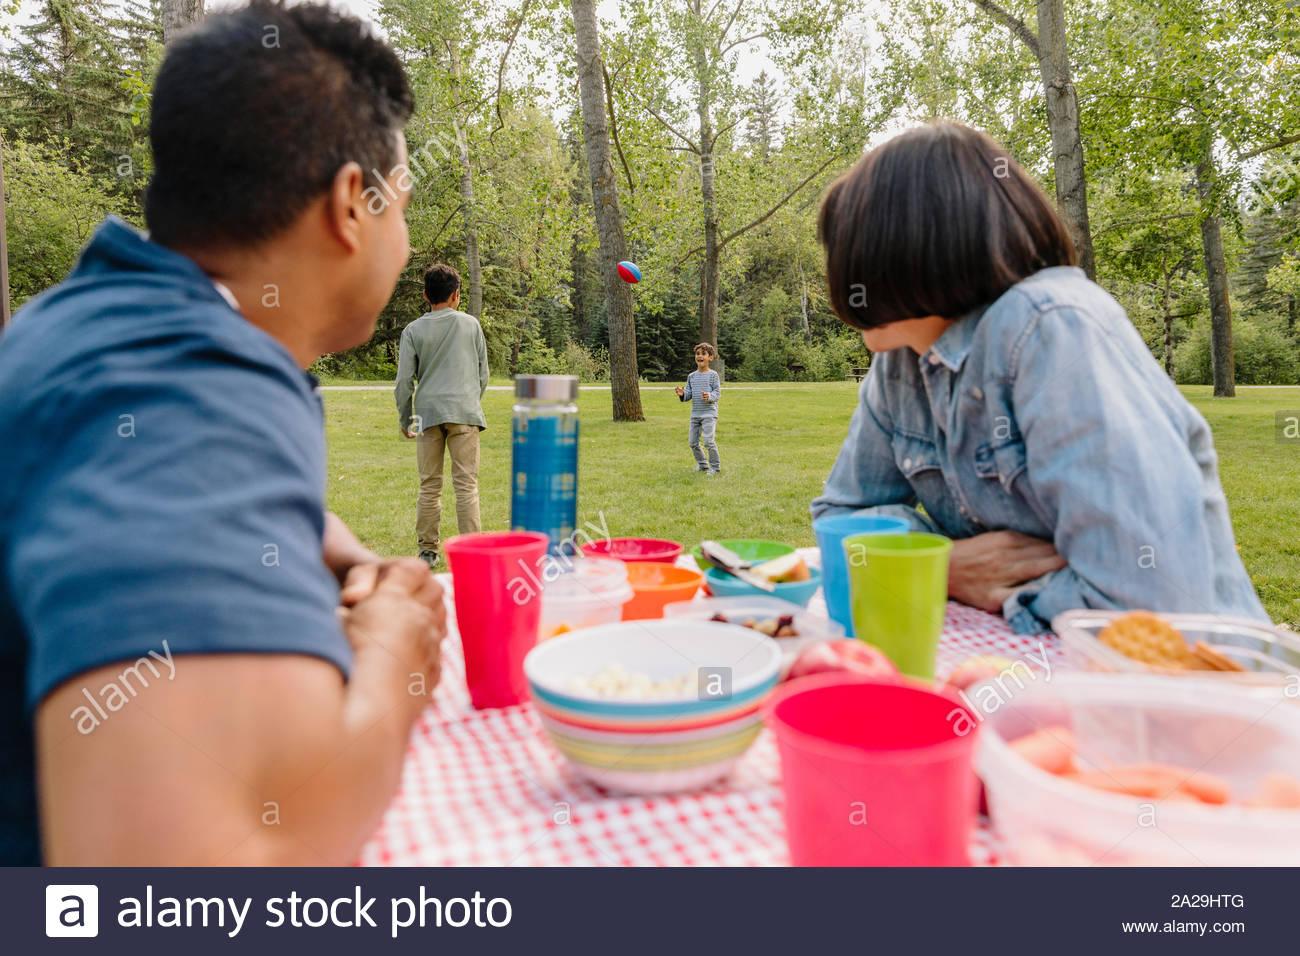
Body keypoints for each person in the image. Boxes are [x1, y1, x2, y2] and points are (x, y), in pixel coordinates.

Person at [0, 1, 446, 865]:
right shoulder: (187, 383)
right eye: (403, 203)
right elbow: (192, 883)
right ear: (353, 203)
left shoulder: (92, 327)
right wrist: (396, 650)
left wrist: (328, 545)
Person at [810, 121, 1266, 634]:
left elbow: (1147, 599)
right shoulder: (900, 363)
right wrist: (947, 563)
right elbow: (839, 520)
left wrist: (929, 567)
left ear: (913, 242)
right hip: (1035, 674)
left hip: (1190, 686)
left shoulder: (1049, 328)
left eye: (848, 241)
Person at [395, 264, 489, 568]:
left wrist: (405, 417)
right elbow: (482, 375)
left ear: (426, 295)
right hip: (464, 411)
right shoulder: (471, 325)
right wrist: (470, 403)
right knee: (466, 485)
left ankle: (427, 551)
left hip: (425, 414)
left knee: (429, 485)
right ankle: (472, 551)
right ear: (456, 295)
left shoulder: (412, 330)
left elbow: (403, 382)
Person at [675, 343, 723, 475]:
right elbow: (689, 394)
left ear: (710, 358)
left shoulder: (713, 375)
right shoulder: (691, 376)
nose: (699, 356)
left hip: (709, 414)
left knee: (708, 441)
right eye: (697, 354)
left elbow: (717, 393)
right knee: (692, 442)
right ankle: (703, 465)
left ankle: (716, 467)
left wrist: (709, 396)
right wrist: (682, 394)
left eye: (703, 354)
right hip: (695, 414)